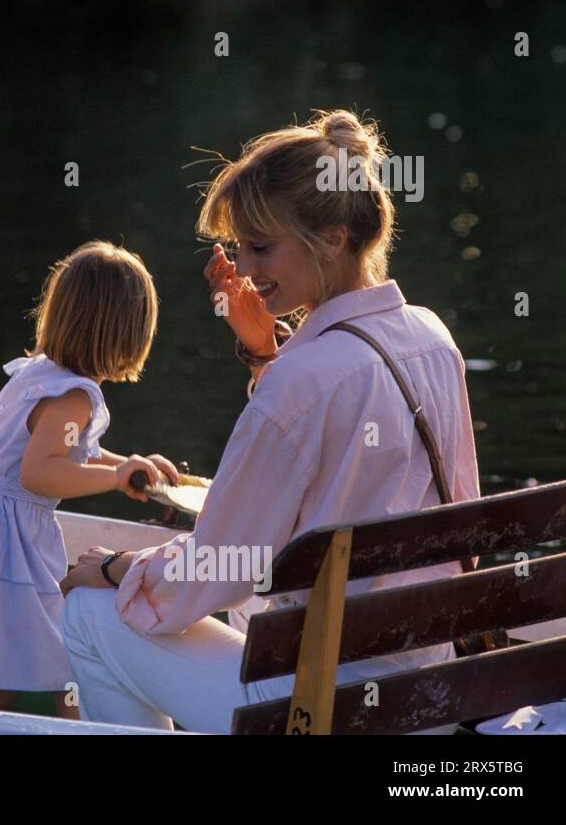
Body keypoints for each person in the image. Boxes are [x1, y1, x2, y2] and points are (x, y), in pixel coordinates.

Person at [59, 110, 477, 734]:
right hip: (425, 689)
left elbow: (219, 568)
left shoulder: (302, 382)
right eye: (239, 248)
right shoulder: (431, 339)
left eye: (261, 246)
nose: (246, 269)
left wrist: (119, 568)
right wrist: (267, 357)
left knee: (91, 612)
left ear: (332, 239)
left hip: (324, 704)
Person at [0, 241, 178, 719]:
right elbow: (40, 473)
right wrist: (115, 478)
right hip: (1, 545)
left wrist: (130, 464)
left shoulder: (43, 373)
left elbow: (69, 450)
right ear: (125, 332)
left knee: (7, 681)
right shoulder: (71, 396)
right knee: (66, 663)